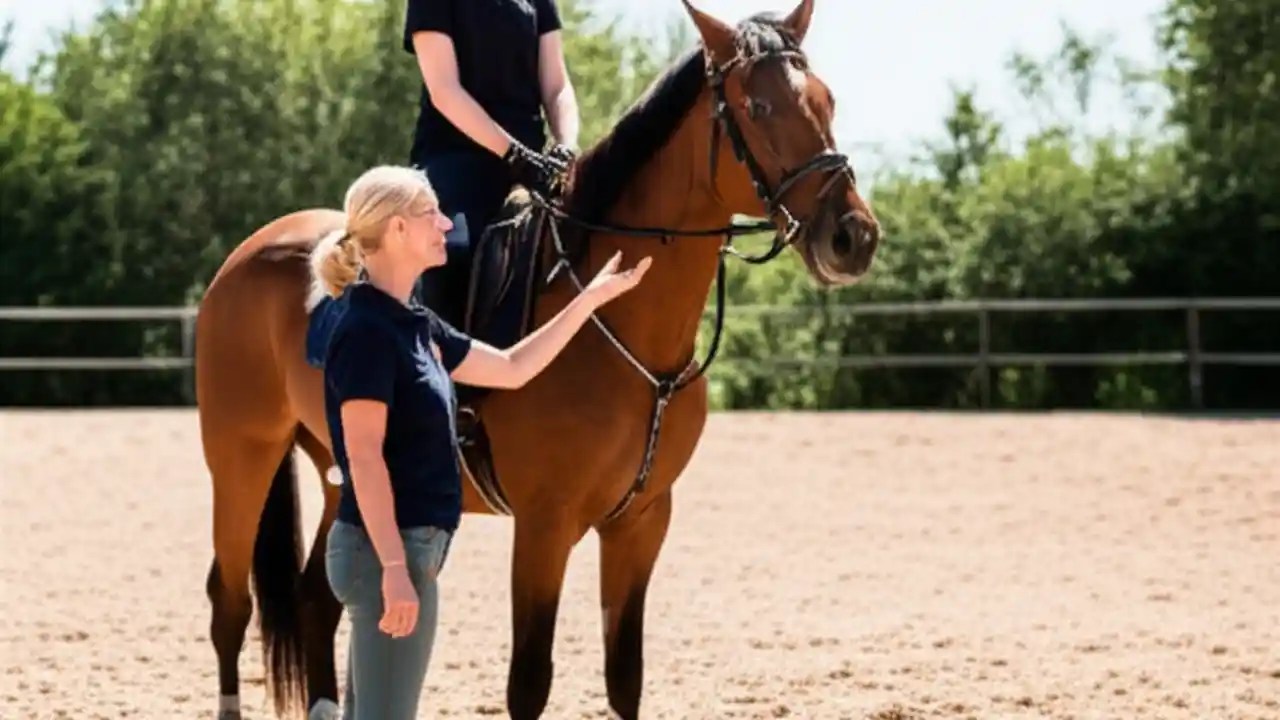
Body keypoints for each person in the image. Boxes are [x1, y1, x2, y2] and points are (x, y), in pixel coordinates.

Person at [308, 165, 650, 720]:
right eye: (430, 214)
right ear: (396, 229)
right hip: (384, 552)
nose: (445, 223)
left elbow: (514, 368)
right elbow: (364, 459)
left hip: (405, 551)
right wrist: (395, 569)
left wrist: (589, 300)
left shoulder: (418, 325)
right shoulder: (366, 332)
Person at [403, 0, 580, 327]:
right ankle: (432, 370)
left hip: (534, 169)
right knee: (448, 253)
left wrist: (566, 146)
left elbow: (556, 86)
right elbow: (444, 90)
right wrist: (513, 154)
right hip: (456, 158)